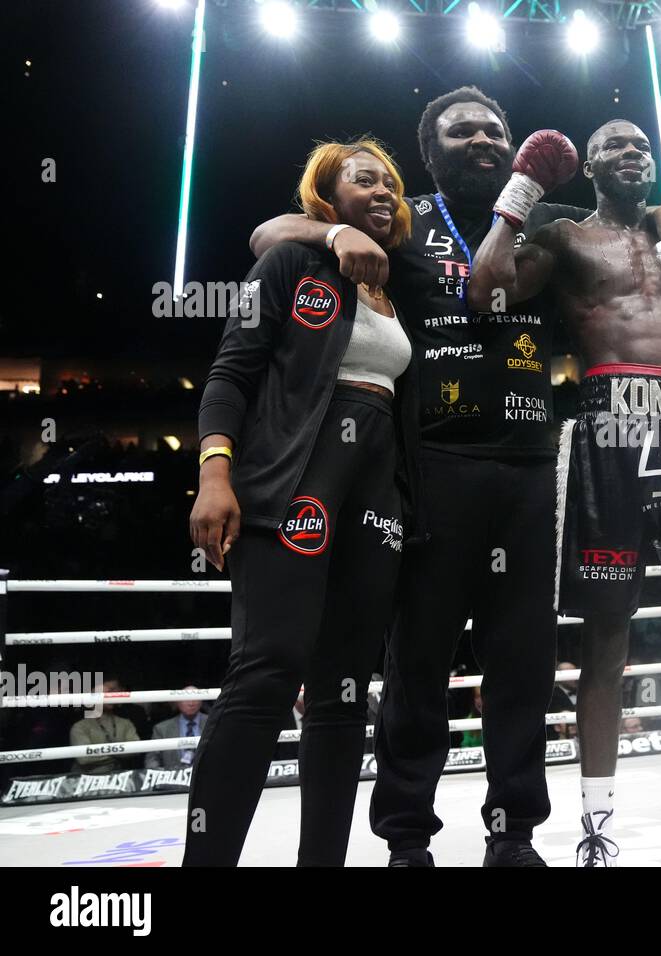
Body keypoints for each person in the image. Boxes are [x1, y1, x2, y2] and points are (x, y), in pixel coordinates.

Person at [250, 87, 661, 868]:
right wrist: (331, 230)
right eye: (463, 130)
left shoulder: (546, 231)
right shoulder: (405, 215)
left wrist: (658, 213)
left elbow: (618, 232)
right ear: (431, 151)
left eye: (496, 129)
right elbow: (268, 235)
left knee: (522, 660)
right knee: (418, 657)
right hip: (432, 462)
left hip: (531, 467)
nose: (484, 138)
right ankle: (406, 837)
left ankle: (513, 832)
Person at [468, 119, 661, 868]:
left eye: (642, 145)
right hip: (609, 424)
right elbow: (487, 293)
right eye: (615, 146)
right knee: (607, 636)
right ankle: (597, 832)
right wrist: (522, 189)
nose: (633, 153)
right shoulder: (567, 236)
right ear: (591, 167)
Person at [186, 138, 418, 867]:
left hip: (374, 501)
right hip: (291, 486)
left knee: (345, 692)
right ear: (327, 195)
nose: (381, 191)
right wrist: (214, 473)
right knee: (266, 672)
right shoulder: (293, 261)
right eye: (362, 180)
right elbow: (230, 373)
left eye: (390, 183)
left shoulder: (396, 283)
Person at [70, 678, 140, 774]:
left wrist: (102, 752)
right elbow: (84, 759)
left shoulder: (125, 723)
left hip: (119, 776)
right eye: (104, 694)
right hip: (88, 778)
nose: (109, 697)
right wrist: (118, 751)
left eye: (110, 693)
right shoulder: (80, 727)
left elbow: (136, 748)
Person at [145, 688, 205, 772]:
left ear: (201, 702)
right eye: (186, 699)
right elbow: (152, 759)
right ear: (178, 703)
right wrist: (160, 777)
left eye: (195, 699)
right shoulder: (162, 728)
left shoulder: (215, 722)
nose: (191, 703)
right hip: (172, 780)